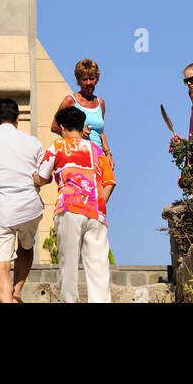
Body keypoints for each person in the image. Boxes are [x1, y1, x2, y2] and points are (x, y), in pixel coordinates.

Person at [34, 105, 116, 303]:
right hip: (96, 211)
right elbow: (110, 182)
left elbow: (42, 177)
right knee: (98, 267)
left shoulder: (58, 146)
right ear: (82, 127)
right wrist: (97, 202)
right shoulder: (96, 150)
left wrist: (33, 176)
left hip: (69, 207)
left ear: (62, 128)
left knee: (68, 264)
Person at [0, 98, 45, 304]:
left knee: (0, 266)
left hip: (0, 208)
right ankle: (17, 292)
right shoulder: (33, 142)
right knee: (26, 247)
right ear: (18, 119)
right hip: (30, 207)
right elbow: (43, 174)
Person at [52, 58, 113, 169]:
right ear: (79, 81)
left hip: (98, 157)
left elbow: (101, 132)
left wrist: (108, 154)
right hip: (78, 156)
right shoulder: (70, 100)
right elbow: (54, 126)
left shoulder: (100, 103)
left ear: (96, 79)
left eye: (91, 78)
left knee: (108, 184)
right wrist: (76, 132)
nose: (88, 83)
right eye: (84, 79)